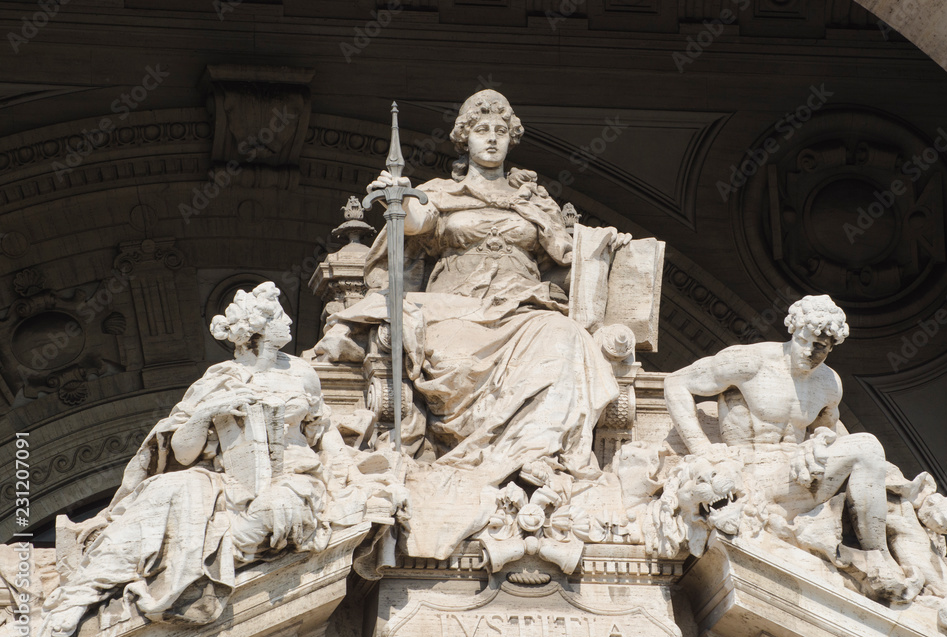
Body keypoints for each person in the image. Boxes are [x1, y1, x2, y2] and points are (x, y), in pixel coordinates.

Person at [314, 89, 629, 557]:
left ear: (511, 139)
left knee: (565, 338)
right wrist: (397, 199)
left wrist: (606, 245)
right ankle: (488, 462)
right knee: (455, 359)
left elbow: (566, 256)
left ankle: (536, 459)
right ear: (464, 138)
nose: (492, 139)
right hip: (456, 308)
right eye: (482, 130)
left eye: (501, 131)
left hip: (524, 309)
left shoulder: (534, 201)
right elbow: (414, 223)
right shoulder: (442, 193)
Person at [36, 283, 332, 637]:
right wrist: (208, 413)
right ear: (256, 332)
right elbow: (183, 451)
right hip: (229, 480)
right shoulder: (218, 379)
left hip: (293, 479)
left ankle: (194, 580)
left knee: (272, 511)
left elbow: (327, 437)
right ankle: (80, 595)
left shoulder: (302, 374)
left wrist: (349, 480)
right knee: (165, 492)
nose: (289, 321)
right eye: (277, 317)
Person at [662, 294, 911, 600]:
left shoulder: (829, 382)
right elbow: (676, 383)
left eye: (823, 348)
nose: (813, 352)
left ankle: (878, 557)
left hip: (798, 479)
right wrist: (702, 449)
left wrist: (819, 441)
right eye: (807, 341)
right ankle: (874, 558)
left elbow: (828, 430)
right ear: (794, 331)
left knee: (868, 448)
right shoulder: (749, 362)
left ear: (832, 347)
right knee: (867, 446)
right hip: (752, 475)